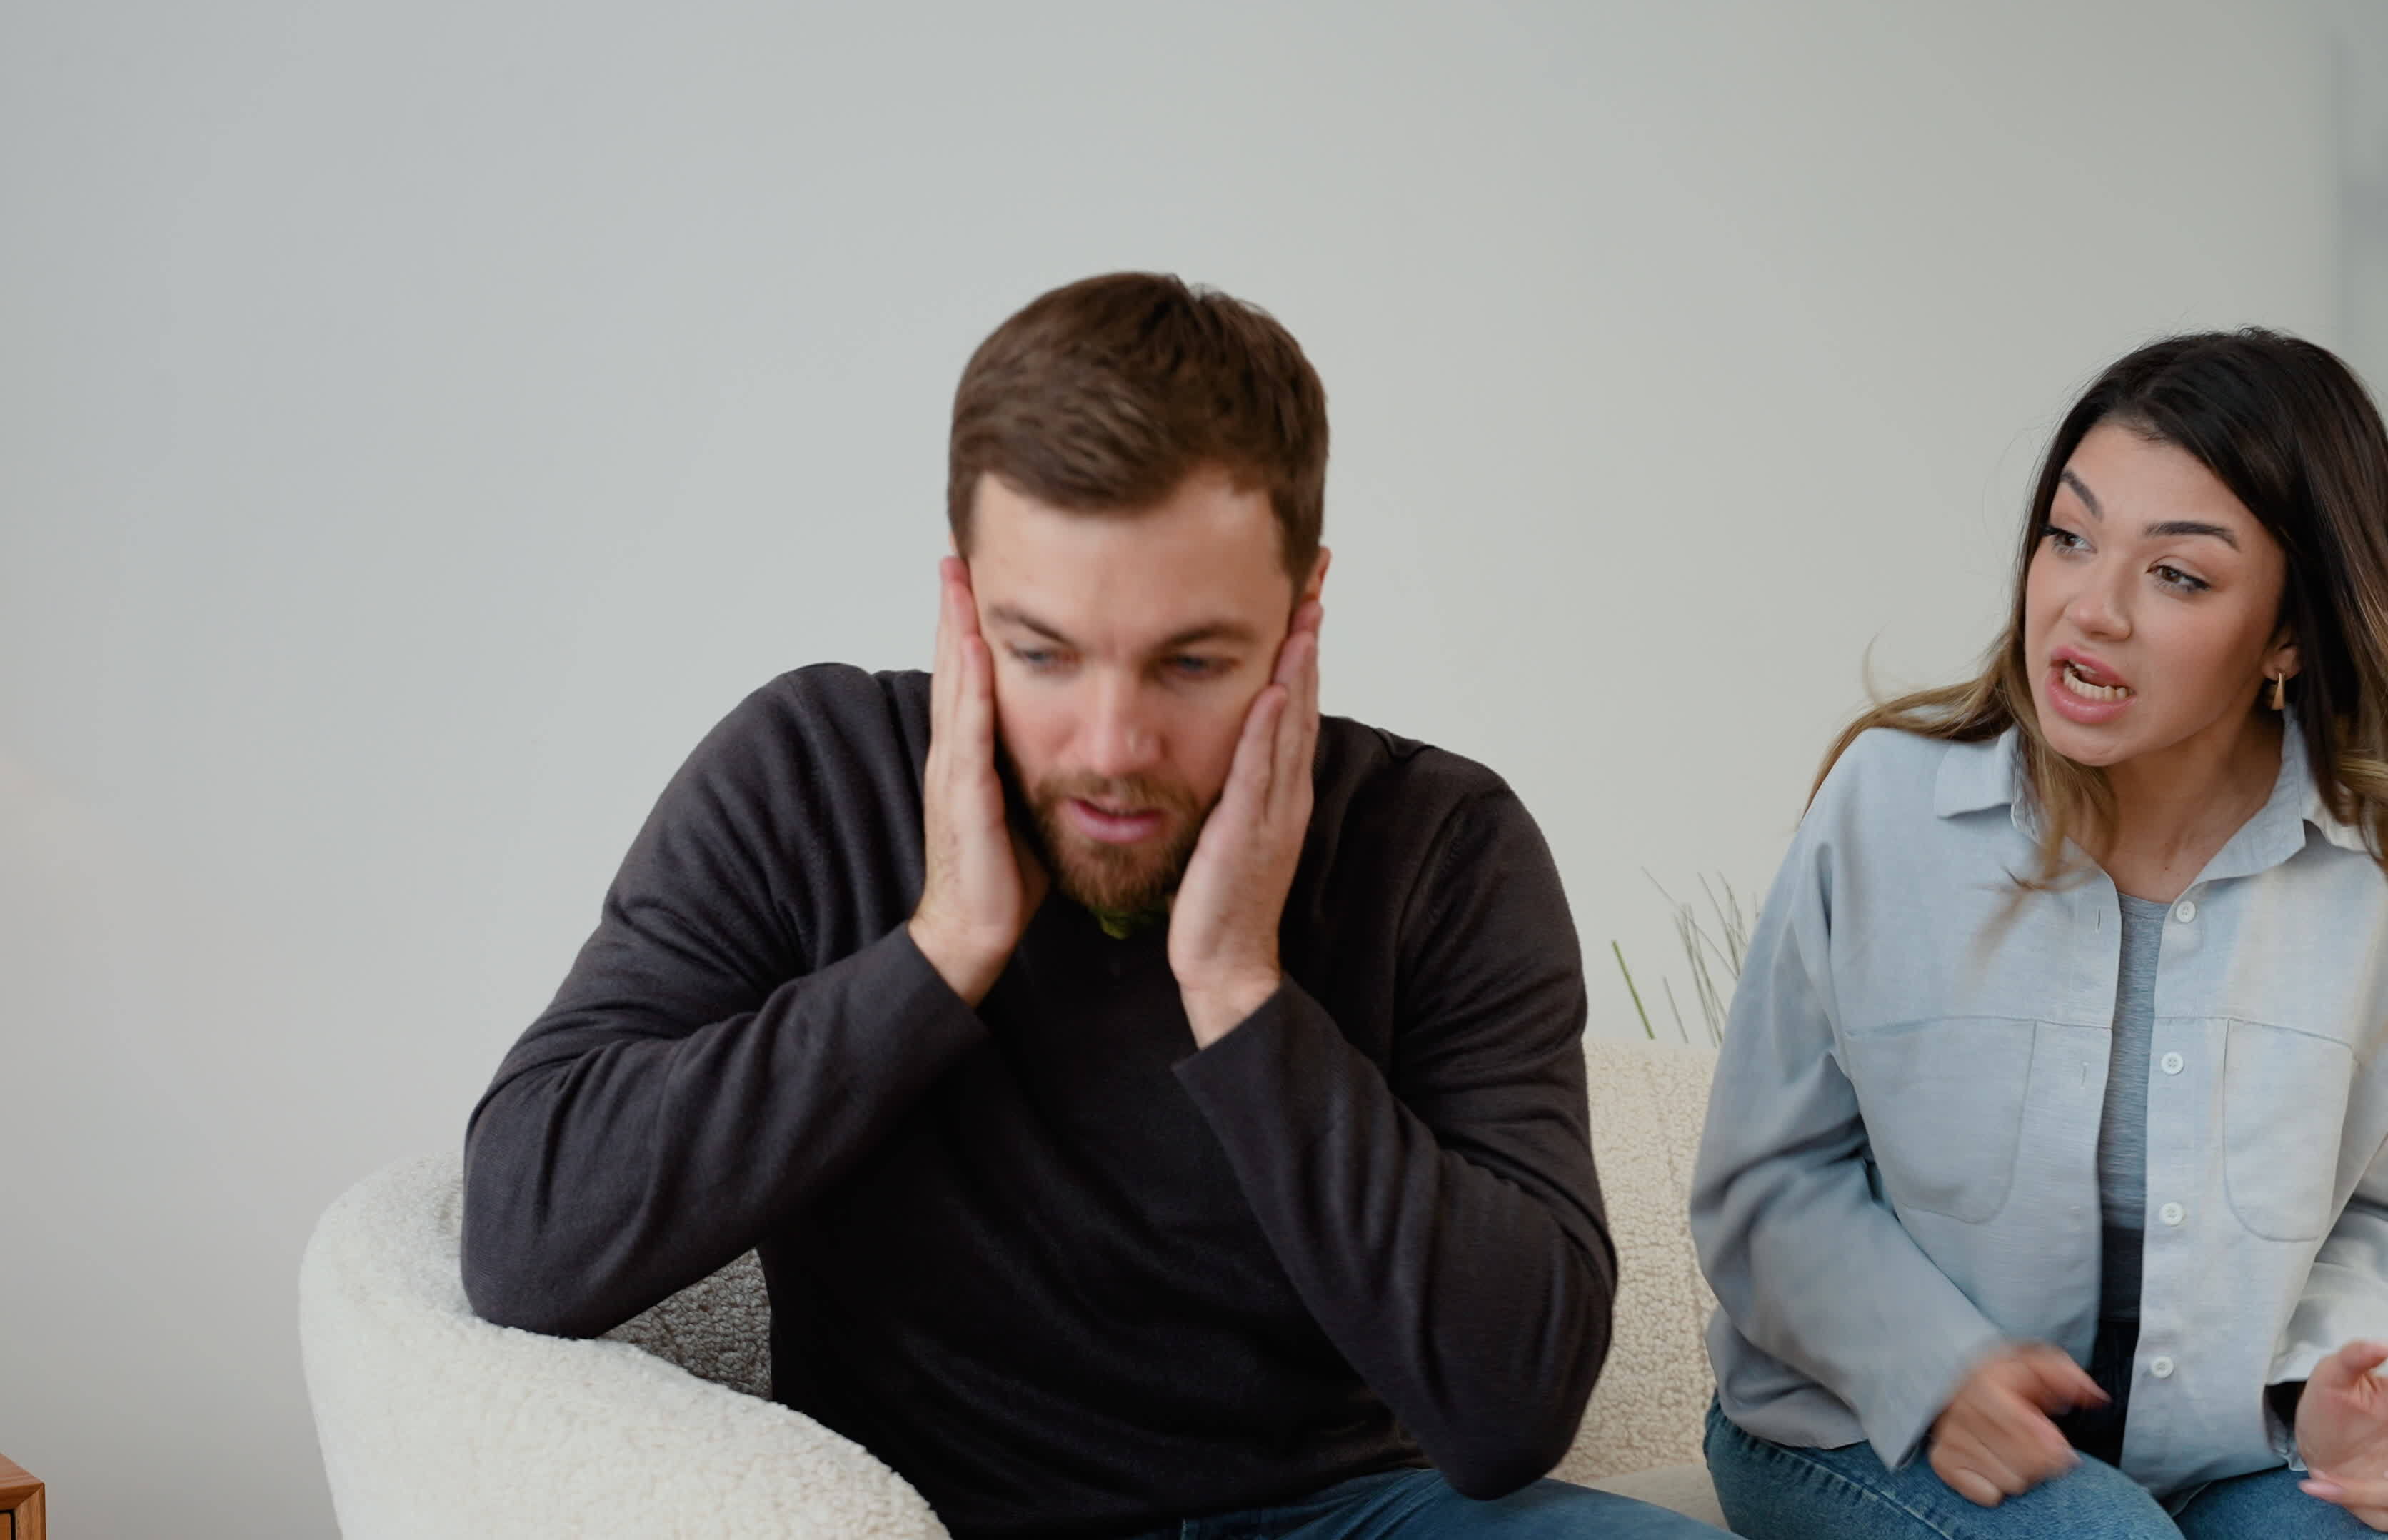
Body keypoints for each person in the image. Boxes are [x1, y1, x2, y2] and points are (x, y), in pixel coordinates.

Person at [460, 273, 1727, 1540]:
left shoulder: (1445, 844)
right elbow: (527, 1238)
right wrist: (940, 947)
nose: (1113, 745)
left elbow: (1510, 1415)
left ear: (1304, 614)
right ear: (964, 610)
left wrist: (1239, 988)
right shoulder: (811, 772)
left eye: (1191, 662)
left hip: (1344, 1516)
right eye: (1044, 654)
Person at [1691, 330, 2388, 1539]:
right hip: (1867, 1425)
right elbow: (1768, 1176)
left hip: (2228, 1446)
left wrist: (2344, 1390)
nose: (2091, 608)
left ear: (2291, 636)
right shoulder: (1887, 811)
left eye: (2178, 576)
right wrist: (1939, 1371)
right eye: (2070, 539)